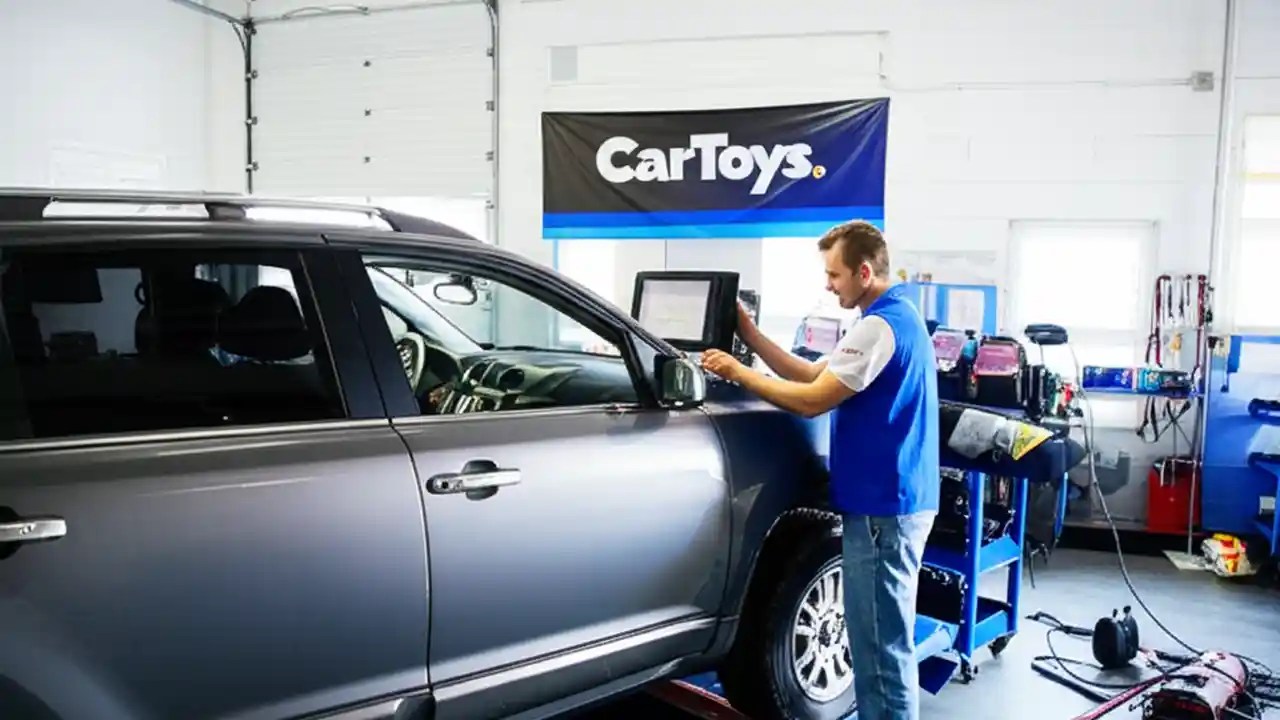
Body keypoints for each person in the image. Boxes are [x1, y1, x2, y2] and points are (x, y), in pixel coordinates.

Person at [700, 220, 940, 720]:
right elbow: (815, 373)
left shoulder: (878, 327)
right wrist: (751, 336)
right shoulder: (895, 315)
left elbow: (812, 400)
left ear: (865, 271)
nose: (828, 285)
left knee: (879, 650)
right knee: (879, 640)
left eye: (835, 275)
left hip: (883, 510)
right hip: (891, 503)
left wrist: (738, 373)